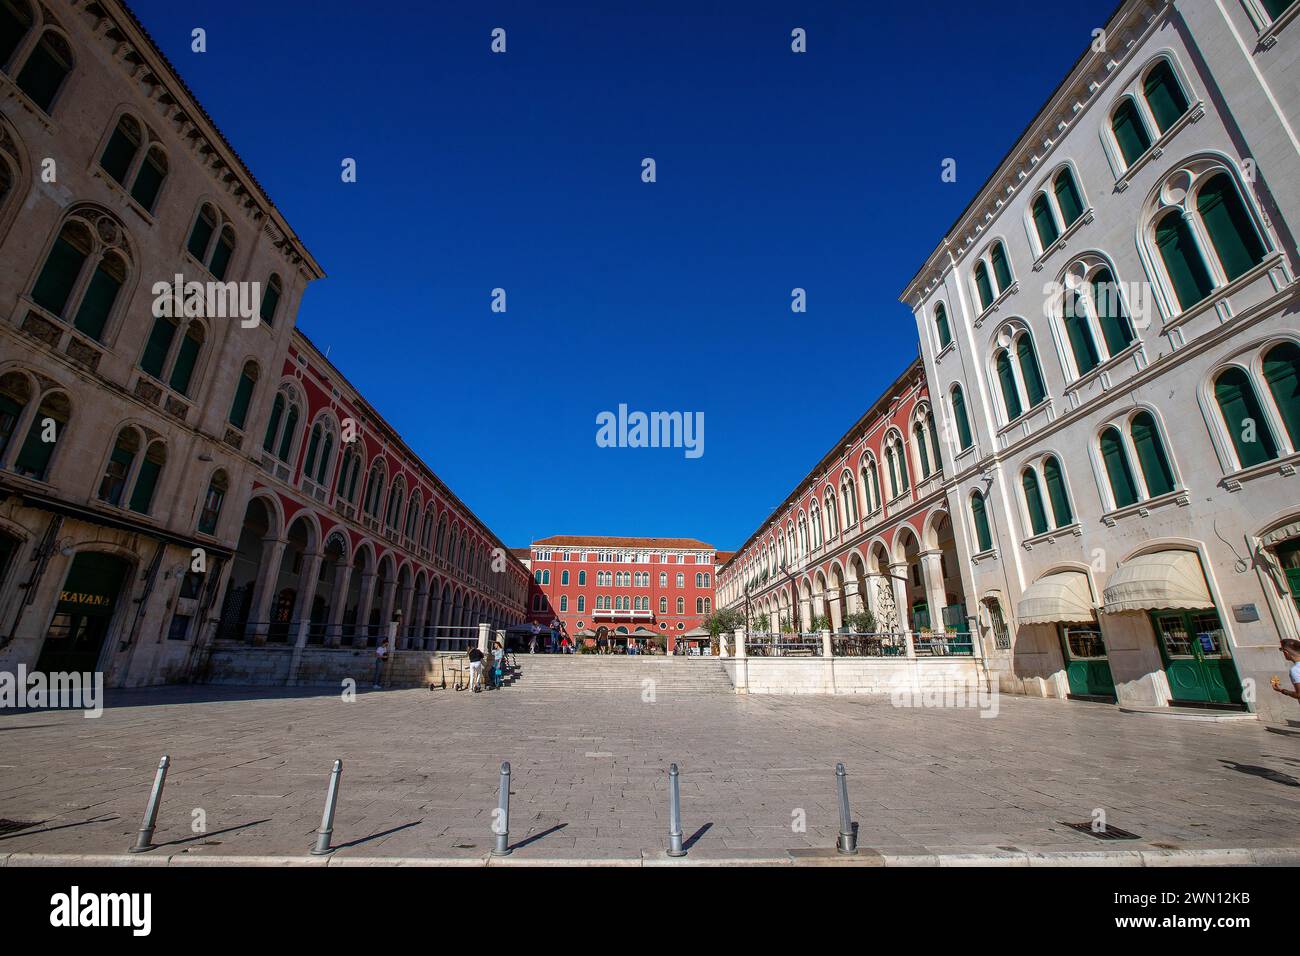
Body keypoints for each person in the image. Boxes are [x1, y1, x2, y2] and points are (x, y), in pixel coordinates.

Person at [1270, 638, 1300, 705]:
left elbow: (1299, 695)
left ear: (1286, 652)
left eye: (1282, 650)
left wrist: (1282, 690)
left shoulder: (1295, 670)